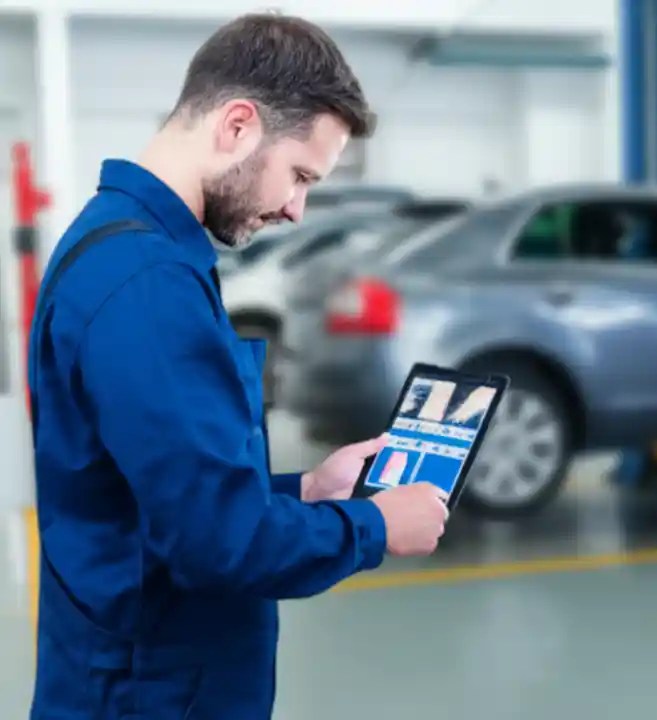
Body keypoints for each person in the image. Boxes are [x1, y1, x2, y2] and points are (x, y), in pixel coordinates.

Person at [26, 13, 450, 718]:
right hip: (150, 695)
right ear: (237, 127)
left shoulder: (121, 247)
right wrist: (376, 528)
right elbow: (217, 545)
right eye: (299, 175)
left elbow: (164, 498)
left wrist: (310, 490)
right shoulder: (147, 285)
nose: (295, 209)